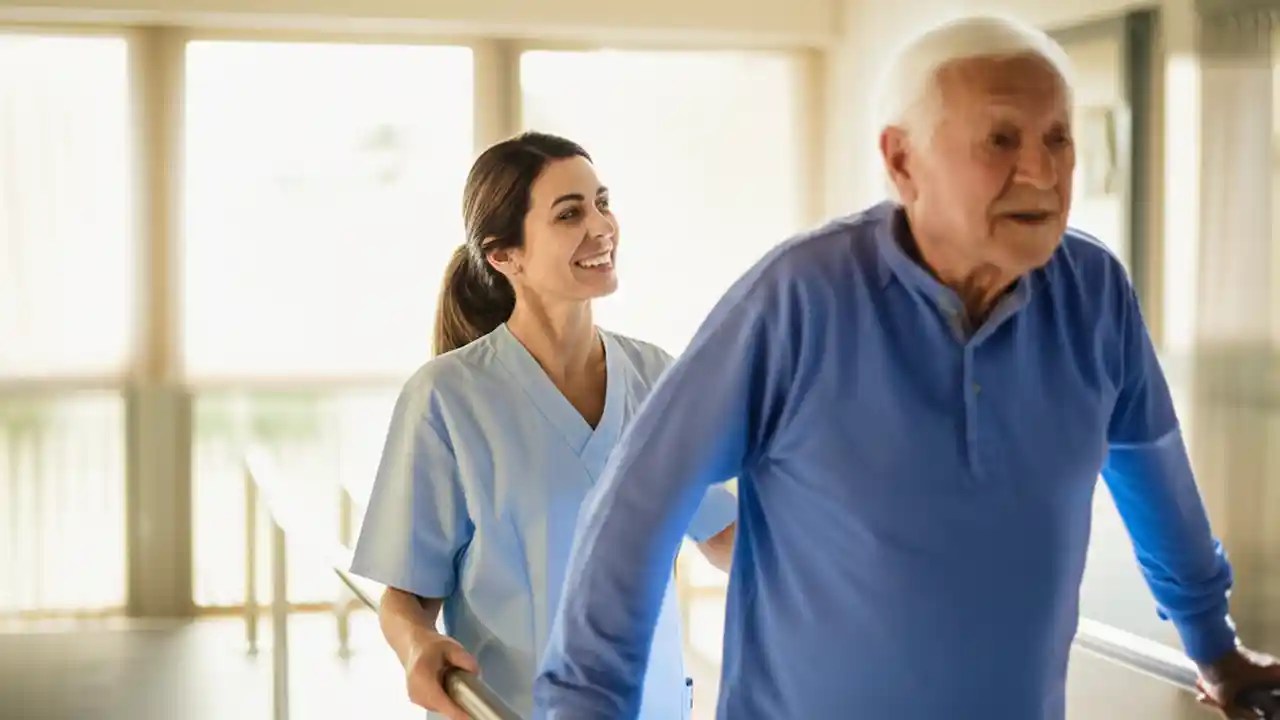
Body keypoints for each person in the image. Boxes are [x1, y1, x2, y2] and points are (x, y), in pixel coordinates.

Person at [534, 16, 1280, 720]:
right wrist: (587, 706)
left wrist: (1212, 644)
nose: (1043, 171)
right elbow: (639, 506)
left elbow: (1157, 477)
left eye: (1059, 138)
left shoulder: (1093, 294)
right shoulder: (800, 298)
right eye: (1001, 139)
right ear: (901, 159)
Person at [350, 131, 737, 720]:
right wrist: (417, 647)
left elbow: (727, 538)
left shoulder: (656, 377)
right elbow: (407, 590)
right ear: (506, 255)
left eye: (602, 202)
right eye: (570, 213)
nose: (601, 226)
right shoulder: (446, 398)